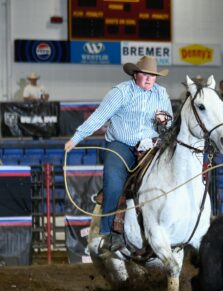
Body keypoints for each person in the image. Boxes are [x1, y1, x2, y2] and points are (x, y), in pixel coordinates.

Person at [63, 56, 173, 253]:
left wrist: (163, 121)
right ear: (135, 74)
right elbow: (99, 117)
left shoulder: (161, 93)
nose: (149, 79)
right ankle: (108, 233)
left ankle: (169, 229)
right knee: (113, 181)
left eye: (152, 76)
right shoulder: (121, 92)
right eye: (145, 75)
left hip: (150, 146)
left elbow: (169, 123)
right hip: (120, 145)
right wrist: (75, 139)